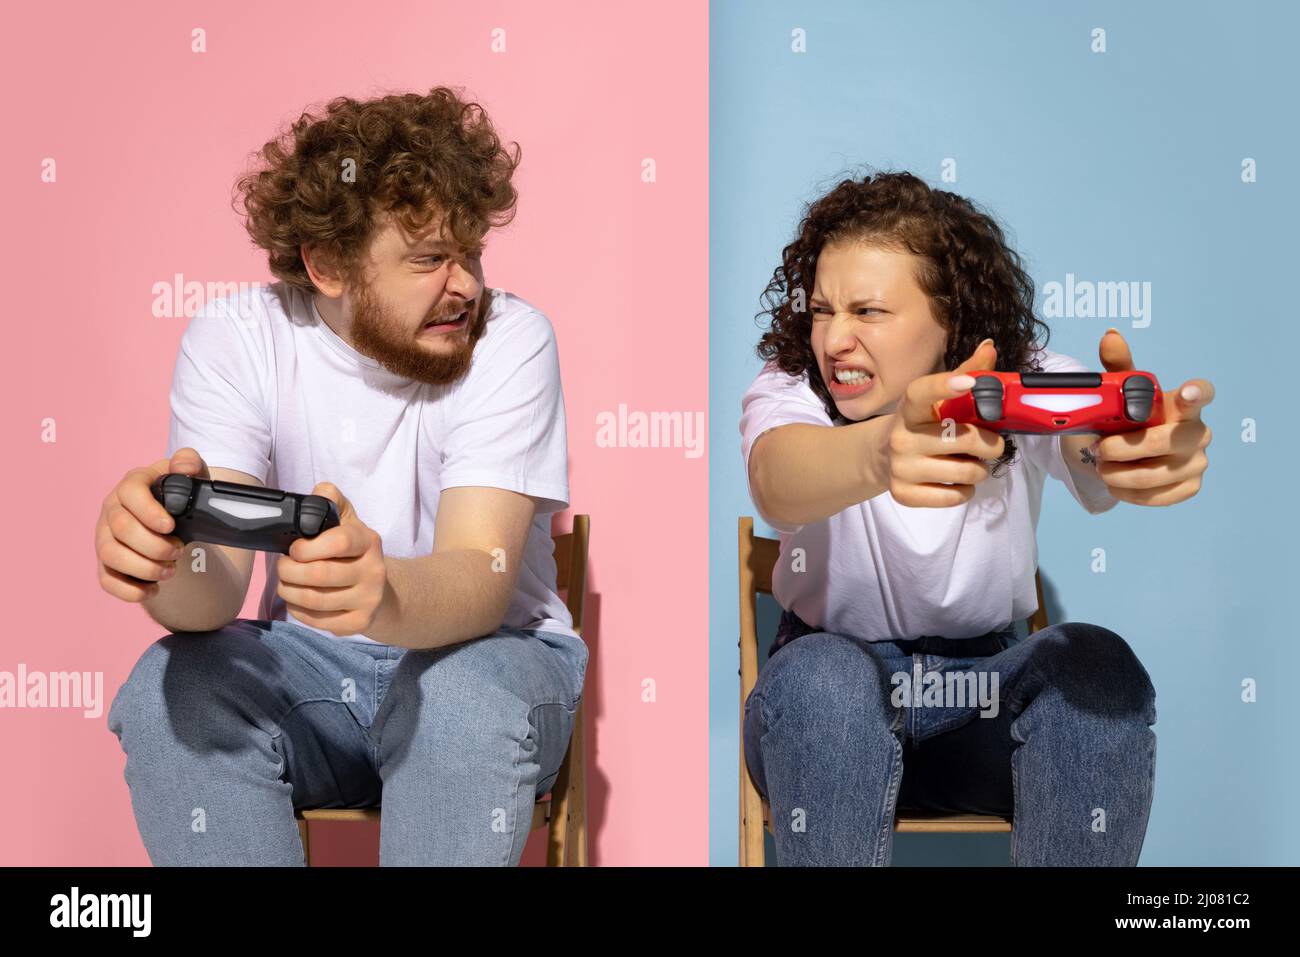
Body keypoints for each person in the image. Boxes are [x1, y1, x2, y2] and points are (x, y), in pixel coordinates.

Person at [95, 86, 588, 866]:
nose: (463, 286)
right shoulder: (237, 338)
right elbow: (214, 588)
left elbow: (481, 574)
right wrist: (160, 556)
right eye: (428, 260)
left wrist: (383, 591)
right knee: (174, 683)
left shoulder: (513, 339)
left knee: (458, 699)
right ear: (326, 265)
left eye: (471, 254)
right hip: (314, 672)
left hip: (491, 663)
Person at [739, 170, 1214, 866]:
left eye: (867, 312)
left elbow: (1088, 444)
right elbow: (776, 479)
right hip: (824, 711)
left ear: (950, 321)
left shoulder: (1022, 378)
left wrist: (1125, 452)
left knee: (1095, 664)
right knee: (827, 680)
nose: (834, 338)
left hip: (983, 703)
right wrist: (881, 450)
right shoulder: (792, 386)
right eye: (821, 310)